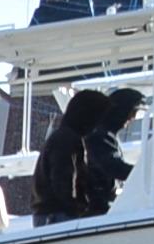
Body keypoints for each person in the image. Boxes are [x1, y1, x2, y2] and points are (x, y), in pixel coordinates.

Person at [33, 86, 135, 220]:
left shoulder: (67, 137)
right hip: (58, 215)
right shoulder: (68, 140)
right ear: (88, 115)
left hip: (54, 213)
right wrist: (80, 210)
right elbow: (64, 181)